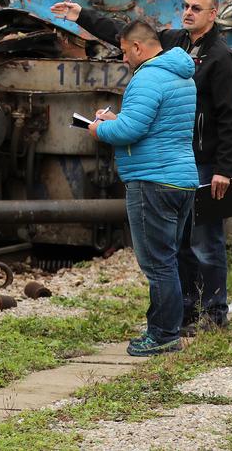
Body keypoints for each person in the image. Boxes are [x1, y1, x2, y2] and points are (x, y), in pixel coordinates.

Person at [52, 0, 232, 334]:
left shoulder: (219, 56)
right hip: (180, 156)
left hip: (204, 160)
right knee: (181, 245)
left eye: (196, 8)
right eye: (185, 6)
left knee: (206, 242)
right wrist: (82, 16)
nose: (188, 12)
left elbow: (231, 117)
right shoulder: (174, 42)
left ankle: (215, 313)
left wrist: (224, 169)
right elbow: (127, 35)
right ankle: (187, 310)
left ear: (213, 14)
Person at [86, 20, 199, 355]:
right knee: (168, 258)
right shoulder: (182, 75)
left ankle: (163, 335)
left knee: (157, 263)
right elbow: (154, 124)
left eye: (124, 51)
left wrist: (98, 129)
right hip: (181, 180)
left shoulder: (147, 77)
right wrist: (116, 120)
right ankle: (164, 328)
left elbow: (129, 132)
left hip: (153, 180)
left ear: (138, 47)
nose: (124, 59)